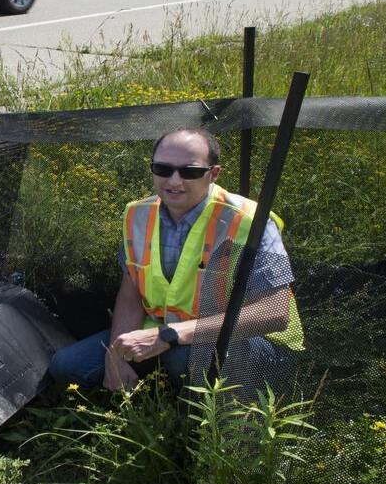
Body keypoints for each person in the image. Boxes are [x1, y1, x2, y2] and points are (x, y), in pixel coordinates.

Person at [47, 128, 304, 393]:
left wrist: (172, 335)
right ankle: (160, 393)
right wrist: (115, 355)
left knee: (182, 358)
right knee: (68, 366)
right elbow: (131, 292)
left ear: (213, 173)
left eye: (189, 171)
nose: (174, 181)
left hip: (252, 341)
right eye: (163, 169)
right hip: (165, 332)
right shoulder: (137, 214)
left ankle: (195, 420)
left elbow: (275, 313)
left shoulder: (249, 220)